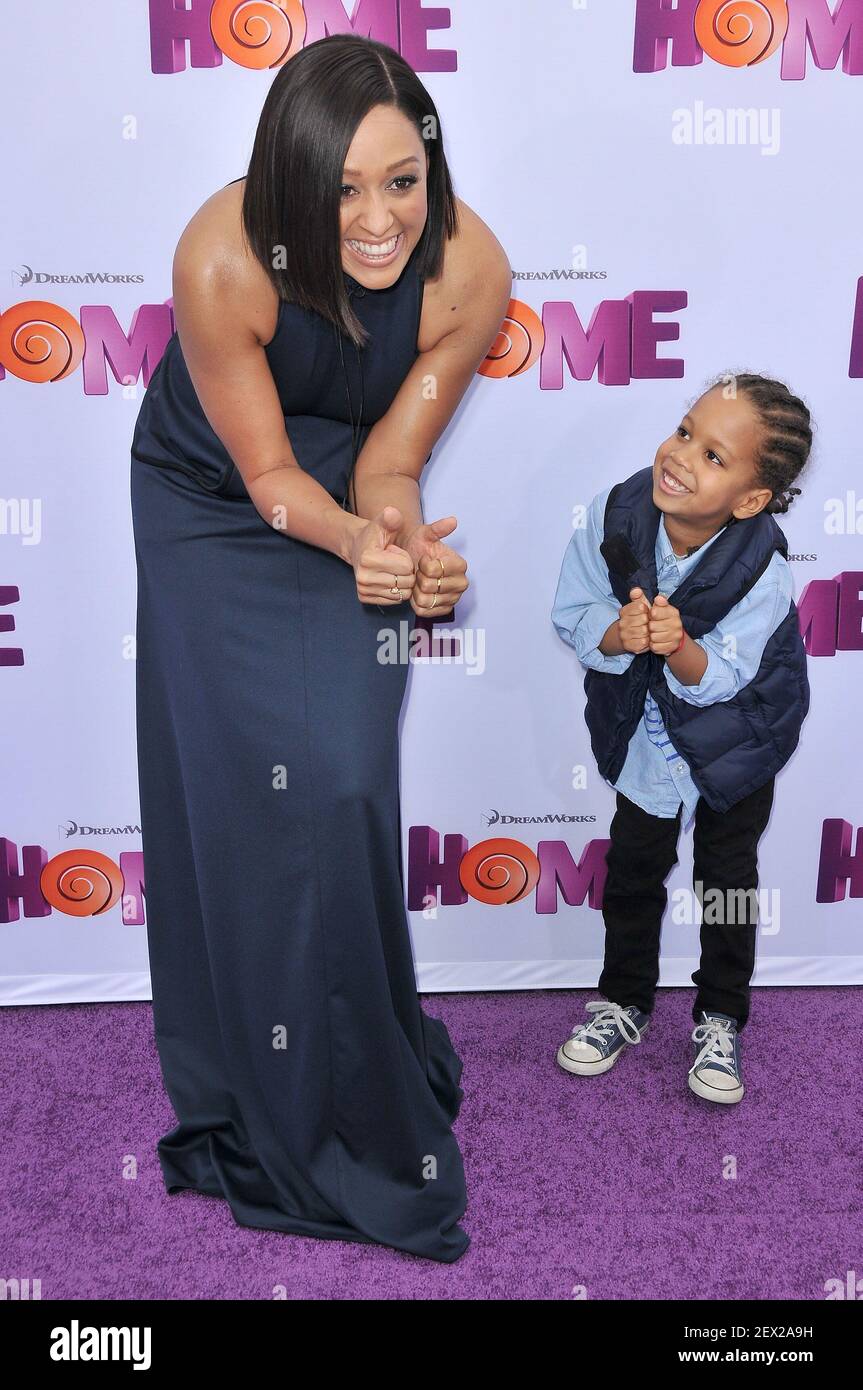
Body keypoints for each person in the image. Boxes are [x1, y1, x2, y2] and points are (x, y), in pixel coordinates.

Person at [130, 33, 511, 1261]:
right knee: (247, 795)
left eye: (402, 180)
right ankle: (269, 1096)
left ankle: (360, 1064)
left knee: (342, 780)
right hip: (214, 499)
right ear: (288, 176)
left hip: (342, 476)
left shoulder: (470, 276)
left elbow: (387, 458)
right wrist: (361, 548)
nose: (378, 218)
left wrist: (403, 547)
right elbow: (269, 478)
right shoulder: (221, 257)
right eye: (342, 187)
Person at [550, 373, 812, 1105]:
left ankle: (721, 1016)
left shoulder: (761, 566)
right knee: (632, 873)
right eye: (685, 430)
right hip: (646, 735)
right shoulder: (614, 513)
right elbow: (573, 613)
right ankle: (621, 1001)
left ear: (750, 499)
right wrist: (618, 632)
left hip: (738, 735)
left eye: (713, 457)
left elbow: (722, 679)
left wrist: (675, 647)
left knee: (725, 883)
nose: (681, 455)